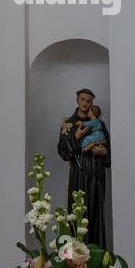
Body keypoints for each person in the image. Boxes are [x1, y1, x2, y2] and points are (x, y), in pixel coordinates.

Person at [57, 88, 111, 251]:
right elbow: (63, 152)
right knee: (77, 211)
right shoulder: (68, 123)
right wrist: (76, 137)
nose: (85, 103)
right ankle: (74, 261)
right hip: (78, 172)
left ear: (92, 103)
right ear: (77, 100)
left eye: (89, 101)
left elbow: (108, 148)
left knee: (94, 211)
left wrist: (104, 152)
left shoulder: (99, 124)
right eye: (82, 99)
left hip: (95, 171)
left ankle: (96, 260)